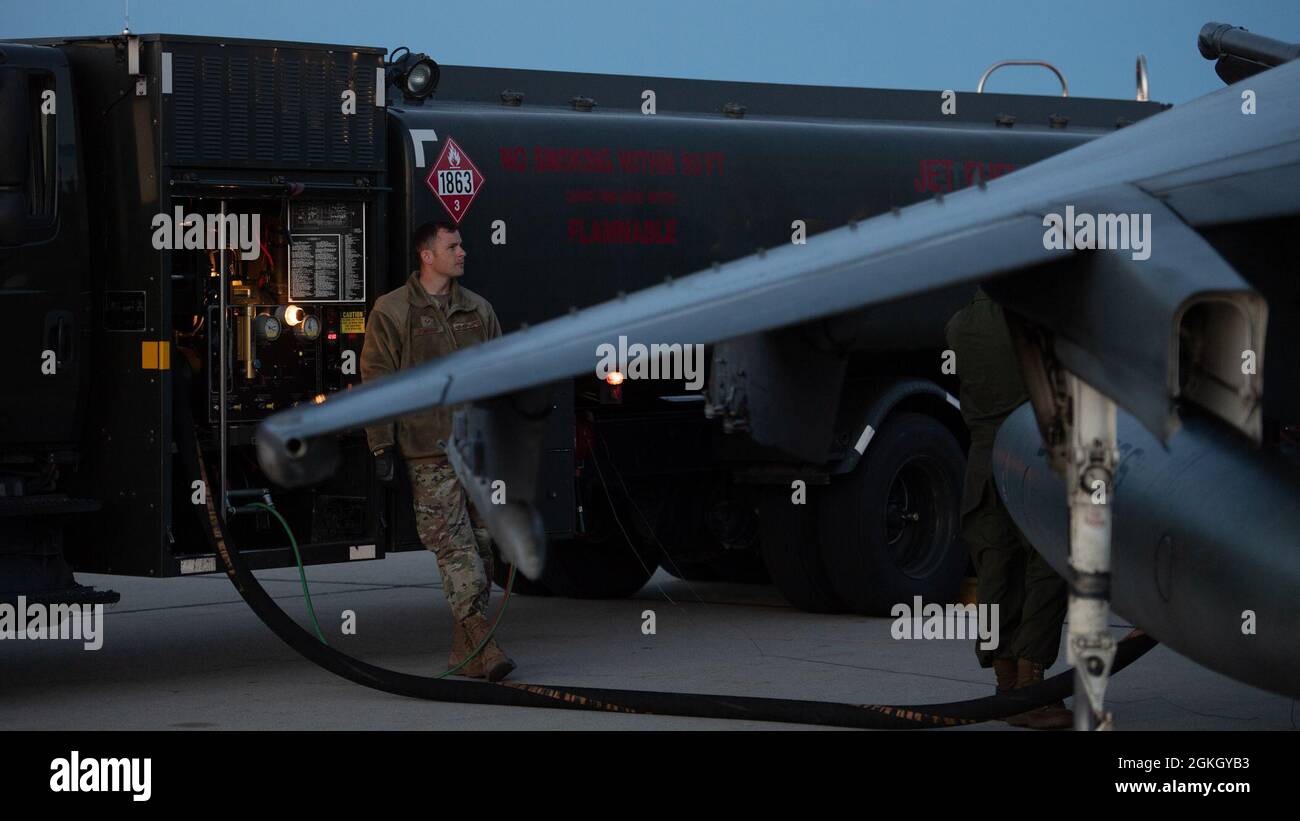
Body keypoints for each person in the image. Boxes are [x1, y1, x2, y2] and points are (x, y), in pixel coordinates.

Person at [360, 220, 513, 681]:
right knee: (455, 548)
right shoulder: (393, 310)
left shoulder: (478, 311)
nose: (463, 252)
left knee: (483, 547)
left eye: (462, 245)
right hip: (428, 452)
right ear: (427, 255)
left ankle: (461, 654)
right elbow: (378, 379)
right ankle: (484, 644)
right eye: (453, 246)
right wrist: (381, 443)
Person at [945, 287, 1070, 729]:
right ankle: (1032, 689)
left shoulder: (957, 325)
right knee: (1048, 565)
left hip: (983, 465)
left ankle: (1005, 683)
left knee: (997, 568)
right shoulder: (1036, 314)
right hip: (1031, 456)